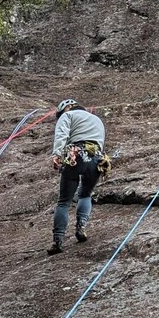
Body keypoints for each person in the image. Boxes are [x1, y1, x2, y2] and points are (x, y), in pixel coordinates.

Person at [48, 98, 109, 254]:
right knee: (85, 194)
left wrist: (57, 155)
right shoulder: (97, 119)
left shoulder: (67, 115)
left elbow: (61, 134)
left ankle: (58, 241)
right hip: (97, 158)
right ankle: (81, 228)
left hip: (77, 155)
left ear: (67, 107)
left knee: (64, 202)